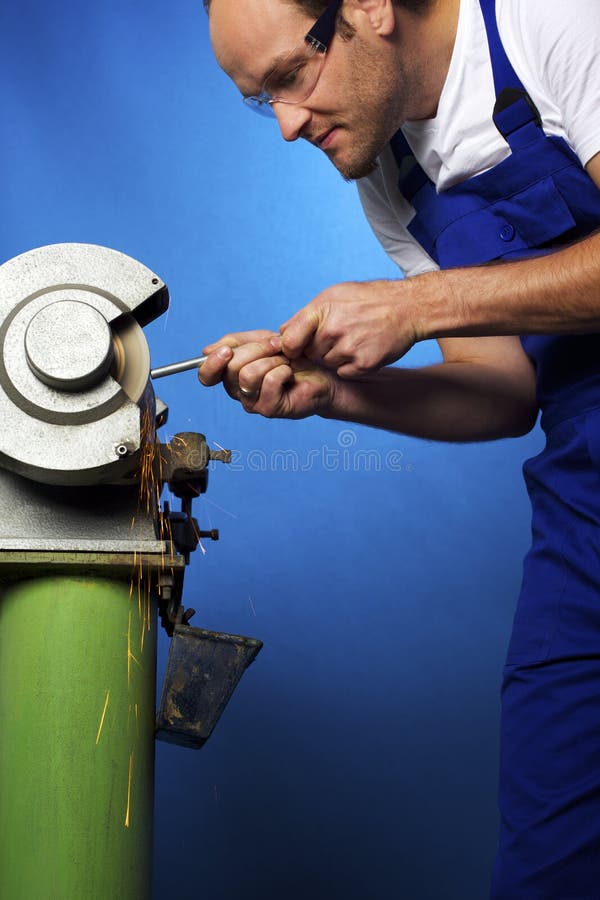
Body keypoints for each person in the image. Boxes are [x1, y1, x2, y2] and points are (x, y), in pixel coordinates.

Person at [199, 0, 600, 895]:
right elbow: (505, 392)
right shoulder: (390, 174)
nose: (290, 125)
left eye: (290, 77)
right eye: (262, 100)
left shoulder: (553, 23)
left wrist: (415, 306)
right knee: (550, 856)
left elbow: (436, 313)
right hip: (587, 501)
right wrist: (337, 394)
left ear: (370, 8)